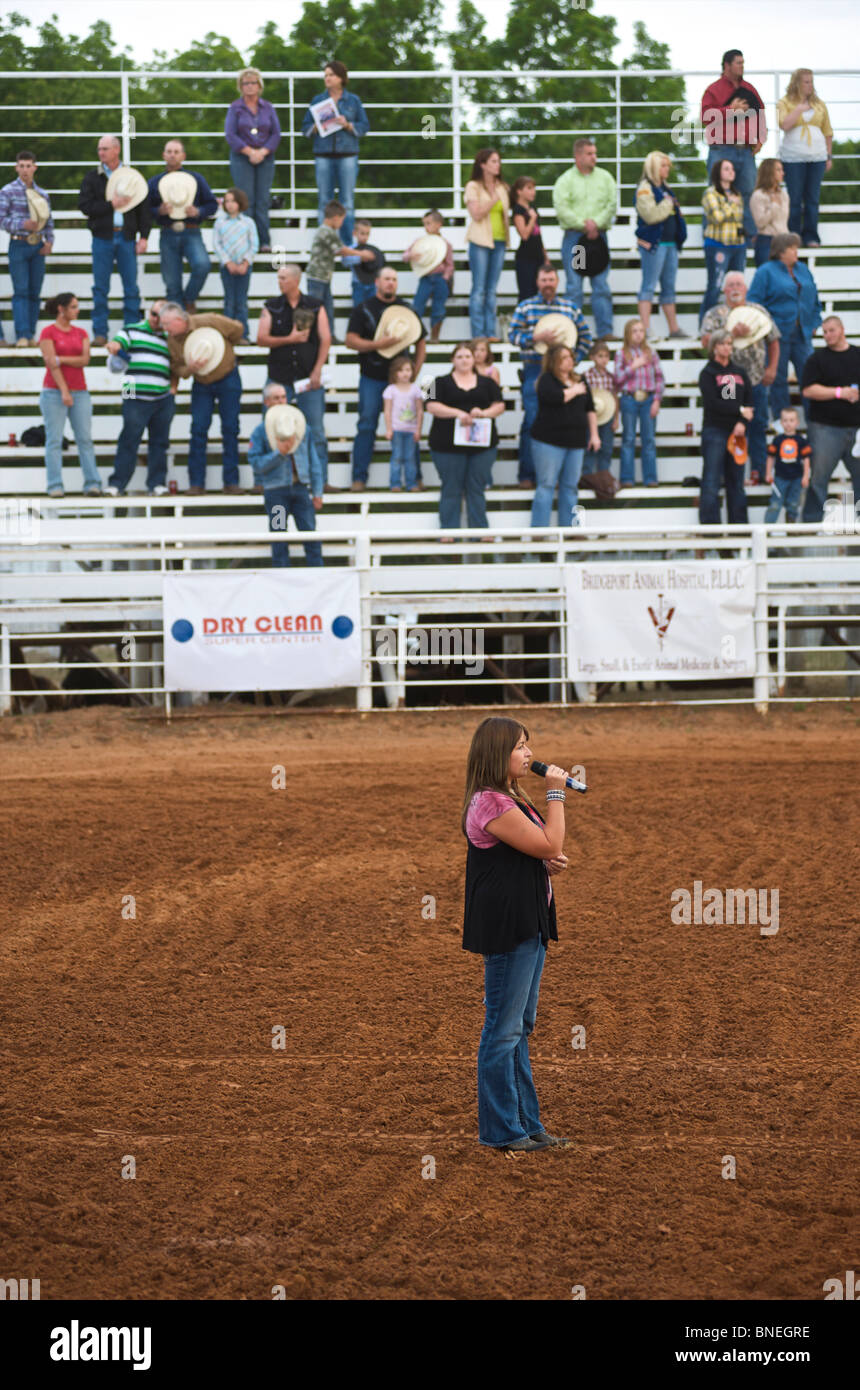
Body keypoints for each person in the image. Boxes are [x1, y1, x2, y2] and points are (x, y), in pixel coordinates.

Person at [462, 716, 571, 1153]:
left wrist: (544, 864)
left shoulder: (507, 797)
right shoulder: (491, 802)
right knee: (504, 1029)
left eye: (528, 746)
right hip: (511, 927)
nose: (529, 754)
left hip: (527, 920)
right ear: (498, 753)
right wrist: (557, 793)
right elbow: (549, 841)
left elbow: (540, 849)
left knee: (517, 1027)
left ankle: (525, 1123)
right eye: (521, 747)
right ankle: (502, 1130)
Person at [508, 263, 592, 488]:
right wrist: (536, 338)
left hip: (563, 372)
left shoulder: (570, 308)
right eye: (544, 280)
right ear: (538, 282)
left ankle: (558, 476)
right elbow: (512, 335)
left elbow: (586, 337)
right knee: (532, 418)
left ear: (557, 282)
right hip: (535, 367)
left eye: (551, 280)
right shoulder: (526, 307)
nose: (548, 284)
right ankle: (528, 474)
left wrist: (572, 362)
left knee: (565, 417)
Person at [345, 265, 427, 490]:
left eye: (394, 279)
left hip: (401, 380)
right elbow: (350, 340)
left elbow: (421, 342)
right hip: (371, 376)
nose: (391, 283)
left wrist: (414, 374)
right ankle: (359, 478)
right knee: (366, 424)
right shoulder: (364, 308)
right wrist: (376, 345)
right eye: (387, 279)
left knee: (410, 426)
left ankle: (415, 478)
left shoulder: (407, 309)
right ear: (377, 282)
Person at [257, 263, 332, 492]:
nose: (280, 282)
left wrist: (318, 369)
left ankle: (321, 482)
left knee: (316, 429)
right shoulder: (272, 306)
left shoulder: (315, 305)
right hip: (279, 377)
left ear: (296, 280)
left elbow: (326, 338)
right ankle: (265, 480)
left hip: (307, 376)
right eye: (279, 278)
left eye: (284, 278)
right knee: (268, 427)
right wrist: (289, 339)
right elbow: (261, 338)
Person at [701, 272, 780, 485]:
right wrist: (731, 333)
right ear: (724, 290)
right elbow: (706, 341)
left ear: (745, 289)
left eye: (739, 284)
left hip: (755, 379)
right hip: (727, 382)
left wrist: (772, 368)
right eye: (731, 285)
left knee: (758, 425)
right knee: (728, 425)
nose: (735, 288)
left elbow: (773, 341)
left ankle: (758, 471)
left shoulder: (758, 311)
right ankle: (728, 475)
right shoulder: (715, 314)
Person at [159, 303, 244, 495]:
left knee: (230, 429)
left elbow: (237, 329)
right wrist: (191, 369)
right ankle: (196, 483)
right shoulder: (171, 340)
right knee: (198, 430)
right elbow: (177, 368)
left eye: (167, 324)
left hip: (228, 378)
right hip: (201, 383)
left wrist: (225, 348)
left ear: (179, 321)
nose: (165, 329)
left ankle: (231, 482)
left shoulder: (209, 320)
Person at [78, 135, 150, 346]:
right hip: (102, 237)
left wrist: (144, 237)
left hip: (127, 237)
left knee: (131, 288)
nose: (101, 153)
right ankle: (100, 333)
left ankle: (132, 332)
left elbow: (143, 210)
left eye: (105, 149)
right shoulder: (92, 178)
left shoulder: (133, 177)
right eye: (99, 149)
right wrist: (111, 204)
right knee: (101, 287)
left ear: (116, 150)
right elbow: (85, 207)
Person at [426, 342, 505, 532]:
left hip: (482, 446)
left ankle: (480, 531)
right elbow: (430, 406)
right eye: (460, 356)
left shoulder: (488, 382)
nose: (464, 360)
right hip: (446, 446)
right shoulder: (436, 381)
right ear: (453, 359)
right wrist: (458, 413)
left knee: (476, 488)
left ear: (474, 359)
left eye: (468, 356)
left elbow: (500, 405)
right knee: (451, 487)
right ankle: (448, 531)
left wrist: (483, 413)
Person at [103, 299, 175, 497]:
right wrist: (115, 346)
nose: (155, 319)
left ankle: (157, 484)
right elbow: (119, 343)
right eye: (153, 314)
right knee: (129, 438)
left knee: (159, 442)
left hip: (162, 395)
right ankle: (117, 484)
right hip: (132, 389)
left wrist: (173, 389)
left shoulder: (171, 338)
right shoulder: (131, 329)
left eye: (160, 317)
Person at [249, 381, 323, 566]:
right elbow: (256, 464)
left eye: (283, 397)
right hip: (276, 492)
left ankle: (317, 575)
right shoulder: (260, 431)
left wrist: (318, 492)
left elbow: (313, 460)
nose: (281, 401)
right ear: (267, 402)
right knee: (279, 535)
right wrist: (278, 454)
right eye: (276, 398)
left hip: (300, 488)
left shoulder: (301, 426)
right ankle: (281, 578)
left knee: (310, 534)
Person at [748, 232, 821, 418]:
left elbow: (814, 299)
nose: (796, 251)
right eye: (792, 248)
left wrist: (814, 322)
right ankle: (782, 423)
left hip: (803, 334)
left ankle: (814, 419)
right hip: (777, 336)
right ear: (781, 251)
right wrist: (766, 329)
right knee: (778, 380)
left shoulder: (803, 269)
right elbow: (754, 303)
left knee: (810, 377)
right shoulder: (765, 272)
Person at [38, 292, 102, 498]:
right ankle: (55, 485)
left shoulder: (82, 332)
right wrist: (64, 390)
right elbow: (51, 364)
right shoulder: (47, 332)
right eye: (73, 307)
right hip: (54, 392)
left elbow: (85, 360)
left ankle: (92, 484)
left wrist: (61, 359)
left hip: (81, 391)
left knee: (85, 439)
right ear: (61, 309)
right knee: (54, 440)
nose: (77, 310)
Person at [551, 138, 617, 338]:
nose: (594, 157)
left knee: (600, 285)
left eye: (595, 153)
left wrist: (596, 223)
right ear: (578, 156)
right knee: (575, 285)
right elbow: (562, 208)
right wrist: (584, 224)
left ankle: (605, 332)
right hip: (577, 241)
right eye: (589, 153)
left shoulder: (605, 178)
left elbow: (611, 204)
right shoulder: (566, 180)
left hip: (598, 240)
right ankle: (573, 332)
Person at [530, 344, 599, 529]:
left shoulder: (581, 379)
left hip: (576, 442)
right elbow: (554, 398)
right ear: (554, 361)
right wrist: (574, 391)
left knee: (570, 487)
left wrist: (594, 434)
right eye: (564, 357)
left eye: (570, 357)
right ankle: (539, 531)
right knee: (546, 485)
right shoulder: (546, 380)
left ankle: (571, 529)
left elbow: (590, 409)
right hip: (549, 441)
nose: (570, 361)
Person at [301, 60, 370, 247]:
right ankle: (325, 243)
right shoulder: (317, 100)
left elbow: (364, 126)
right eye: (325, 75)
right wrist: (316, 127)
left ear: (341, 78)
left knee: (347, 201)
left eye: (331, 74)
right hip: (323, 155)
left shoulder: (353, 101)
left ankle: (346, 243)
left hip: (348, 155)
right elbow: (304, 128)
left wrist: (347, 125)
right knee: (324, 200)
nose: (327, 78)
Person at [700, 49, 766, 240]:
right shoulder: (714, 89)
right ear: (727, 65)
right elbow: (705, 116)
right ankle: (712, 235)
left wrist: (761, 138)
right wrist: (731, 109)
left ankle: (748, 236)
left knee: (747, 192)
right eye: (738, 63)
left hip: (745, 150)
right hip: (721, 148)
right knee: (717, 191)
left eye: (743, 63)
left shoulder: (750, 89)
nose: (742, 67)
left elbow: (760, 112)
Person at [800, 316, 860, 523]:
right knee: (818, 478)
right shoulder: (817, 359)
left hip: (857, 429)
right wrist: (839, 392)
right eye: (824, 332)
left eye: (831, 330)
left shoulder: (857, 354)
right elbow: (808, 390)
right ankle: (811, 524)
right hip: (825, 429)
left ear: (842, 329)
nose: (827, 335)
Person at [147, 138, 217, 311]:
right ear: (164, 155)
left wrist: (198, 211)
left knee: (202, 265)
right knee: (172, 283)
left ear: (183, 156)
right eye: (169, 151)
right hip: (167, 232)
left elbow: (212, 204)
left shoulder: (196, 179)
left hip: (191, 231)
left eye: (176, 152)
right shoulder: (154, 182)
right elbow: (145, 209)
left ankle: (189, 299)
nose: (172, 155)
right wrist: (158, 211)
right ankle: (176, 327)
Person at [697, 329, 753, 523]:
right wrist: (739, 412)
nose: (727, 347)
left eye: (729, 343)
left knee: (736, 482)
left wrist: (742, 422)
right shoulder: (708, 372)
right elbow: (714, 403)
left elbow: (750, 401)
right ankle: (710, 528)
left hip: (738, 432)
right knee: (711, 480)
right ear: (714, 347)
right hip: (716, 431)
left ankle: (740, 528)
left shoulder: (739, 371)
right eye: (722, 343)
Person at [0, 150, 54, 346]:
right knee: (21, 291)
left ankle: (30, 334)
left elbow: (49, 220)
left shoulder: (43, 194)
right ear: (16, 167)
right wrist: (23, 224)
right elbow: (2, 219)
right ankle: (22, 334)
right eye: (21, 166)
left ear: (34, 167)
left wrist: (49, 242)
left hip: (38, 245)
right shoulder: (7, 191)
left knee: (34, 292)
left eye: (28, 166)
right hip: (19, 243)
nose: (25, 170)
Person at [224, 68, 281, 251]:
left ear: (259, 86)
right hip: (242, 156)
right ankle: (247, 241)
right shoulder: (235, 107)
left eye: (253, 83)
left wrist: (262, 152)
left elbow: (276, 133)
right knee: (245, 200)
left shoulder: (268, 107)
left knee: (262, 200)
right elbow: (230, 134)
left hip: (265, 157)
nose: (249, 86)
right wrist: (249, 152)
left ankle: (264, 241)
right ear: (241, 86)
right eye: (246, 83)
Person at [777, 69, 833, 248]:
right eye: (806, 82)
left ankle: (811, 236)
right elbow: (784, 124)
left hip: (817, 157)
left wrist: (828, 155)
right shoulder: (785, 102)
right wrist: (799, 109)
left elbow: (827, 131)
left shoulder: (819, 104)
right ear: (797, 83)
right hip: (793, 158)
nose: (810, 85)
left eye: (811, 81)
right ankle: (794, 236)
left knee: (812, 198)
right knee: (794, 198)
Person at [634, 151, 686, 340]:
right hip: (654, 244)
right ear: (654, 167)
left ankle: (674, 329)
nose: (667, 169)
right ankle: (645, 330)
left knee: (669, 287)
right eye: (663, 165)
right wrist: (667, 204)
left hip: (670, 243)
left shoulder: (666, 187)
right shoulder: (645, 188)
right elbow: (651, 215)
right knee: (649, 286)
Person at [464, 148, 510, 338]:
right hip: (480, 242)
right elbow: (476, 214)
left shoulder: (502, 187)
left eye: (498, 161)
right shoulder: (473, 186)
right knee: (479, 289)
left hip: (499, 241)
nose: (497, 164)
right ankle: (478, 334)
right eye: (493, 161)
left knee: (492, 290)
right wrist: (493, 200)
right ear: (482, 164)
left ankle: (490, 333)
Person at [613, 318, 664, 488]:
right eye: (634, 331)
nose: (638, 334)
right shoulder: (621, 354)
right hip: (629, 398)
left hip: (648, 399)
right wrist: (633, 366)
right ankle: (627, 478)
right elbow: (617, 380)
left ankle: (650, 478)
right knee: (628, 439)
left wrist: (657, 400)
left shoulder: (651, 353)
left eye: (641, 331)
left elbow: (659, 379)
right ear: (628, 334)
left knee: (648, 439)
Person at [699, 159, 745, 323]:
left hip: (738, 245)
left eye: (732, 168)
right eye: (727, 169)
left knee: (737, 286)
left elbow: (739, 218)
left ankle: (734, 322)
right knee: (715, 286)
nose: (731, 171)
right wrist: (729, 204)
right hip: (718, 245)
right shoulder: (710, 193)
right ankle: (705, 325)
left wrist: (729, 206)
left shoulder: (737, 194)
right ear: (718, 172)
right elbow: (717, 218)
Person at [213, 187, 259, 342]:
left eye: (233, 201)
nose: (230, 204)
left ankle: (243, 334)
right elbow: (217, 244)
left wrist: (245, 262)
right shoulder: (220, 223)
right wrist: (227, 262)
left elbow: (254, 244)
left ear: (240, 203)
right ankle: (228, 335)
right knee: (229, 301)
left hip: (244, 267)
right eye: (227, 201)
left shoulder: (248, 222)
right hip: (227, 267)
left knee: (241, 301)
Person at [405, 209, 454, 343]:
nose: (426, 227)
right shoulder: (420, 242)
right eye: (425, 224)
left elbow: (449, 264)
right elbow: (405, 255)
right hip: (425, 278)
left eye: (429, 223)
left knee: (438, 309)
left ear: (439, 224)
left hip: (439, 279)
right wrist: (411, 256)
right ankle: (415, 336)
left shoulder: (445, 244)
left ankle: (434, 336)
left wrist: (445, 277)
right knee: (417, 306)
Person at [306, 199, 352, 339]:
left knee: (328, 309)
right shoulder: (326, 232)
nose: (341, 223)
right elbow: (341, 249)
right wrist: (362, 254)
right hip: (317, 277)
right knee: (316, 309)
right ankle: (314, 336)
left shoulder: (326, 231)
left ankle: (328, 336)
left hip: (323, 277)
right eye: (342, 220)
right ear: (336, 218)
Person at [383, 356, 423, 491]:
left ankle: (411, 483)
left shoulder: (416, 390)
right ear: (395, 373)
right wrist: (389, 429)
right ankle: (395, 483)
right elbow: (387, 411)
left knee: (410, 458)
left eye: (408, 370)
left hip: (411, 430)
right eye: (401, 370)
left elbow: (420, 410)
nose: (405, 373)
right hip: (396, 430)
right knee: (397, 457)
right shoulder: (390, 390)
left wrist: (418, 429)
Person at [764, 408, 811, 523]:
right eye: (785, 420)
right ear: (781, 423)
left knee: (793, 504)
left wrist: (805, 476)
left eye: (791, 420)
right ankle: (767, 529)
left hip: (797, 478)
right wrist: (768, 473)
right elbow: (770, 457)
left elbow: (806, 460)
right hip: (780, 477)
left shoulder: (801, 440)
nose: (788, 423)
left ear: (797, 422)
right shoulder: (777, 440)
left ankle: (791, 528)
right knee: (775, 503)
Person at [584, 339, 618, 475]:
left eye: (606, 356)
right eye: (600, 356)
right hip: (591, 417)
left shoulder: (611, 377)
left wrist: (616, 418)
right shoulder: (586, 376)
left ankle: (604, 474)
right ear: (592, 357)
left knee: (607, 447)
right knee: (589, 446)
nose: (604, 360)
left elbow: (614, 398)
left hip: (607, 416)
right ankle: (586, 475)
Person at [510, 175, 545, 300]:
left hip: (538, 256)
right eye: (529, 188)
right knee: (527, 293)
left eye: (534, 188)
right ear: (519, 191)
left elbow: (539, 236)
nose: (533, 192)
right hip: (526, 258)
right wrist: (532, 219)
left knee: (539, 292)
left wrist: (545, 257)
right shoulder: (518, 210)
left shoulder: (532, 208)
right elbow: (524, 235)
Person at [750, 158, 789, 267]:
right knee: (767, 278)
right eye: (778, 170)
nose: (783, 173)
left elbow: (784, 221)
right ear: (769, 172)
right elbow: (760, 223)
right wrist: (774, 206)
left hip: (784, 240)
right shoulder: (758, 195)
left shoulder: (784, 195)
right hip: (766, 242)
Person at [342, 218, 385, 307]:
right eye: (362, 233)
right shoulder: (351, 249)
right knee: (358, 308)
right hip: (358, 284)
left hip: (372, 284)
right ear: (355, 233)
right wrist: (360, 258)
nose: (365, 237)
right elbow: (345, 261)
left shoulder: (371, 249)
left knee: (373, 307)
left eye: (367, 234)